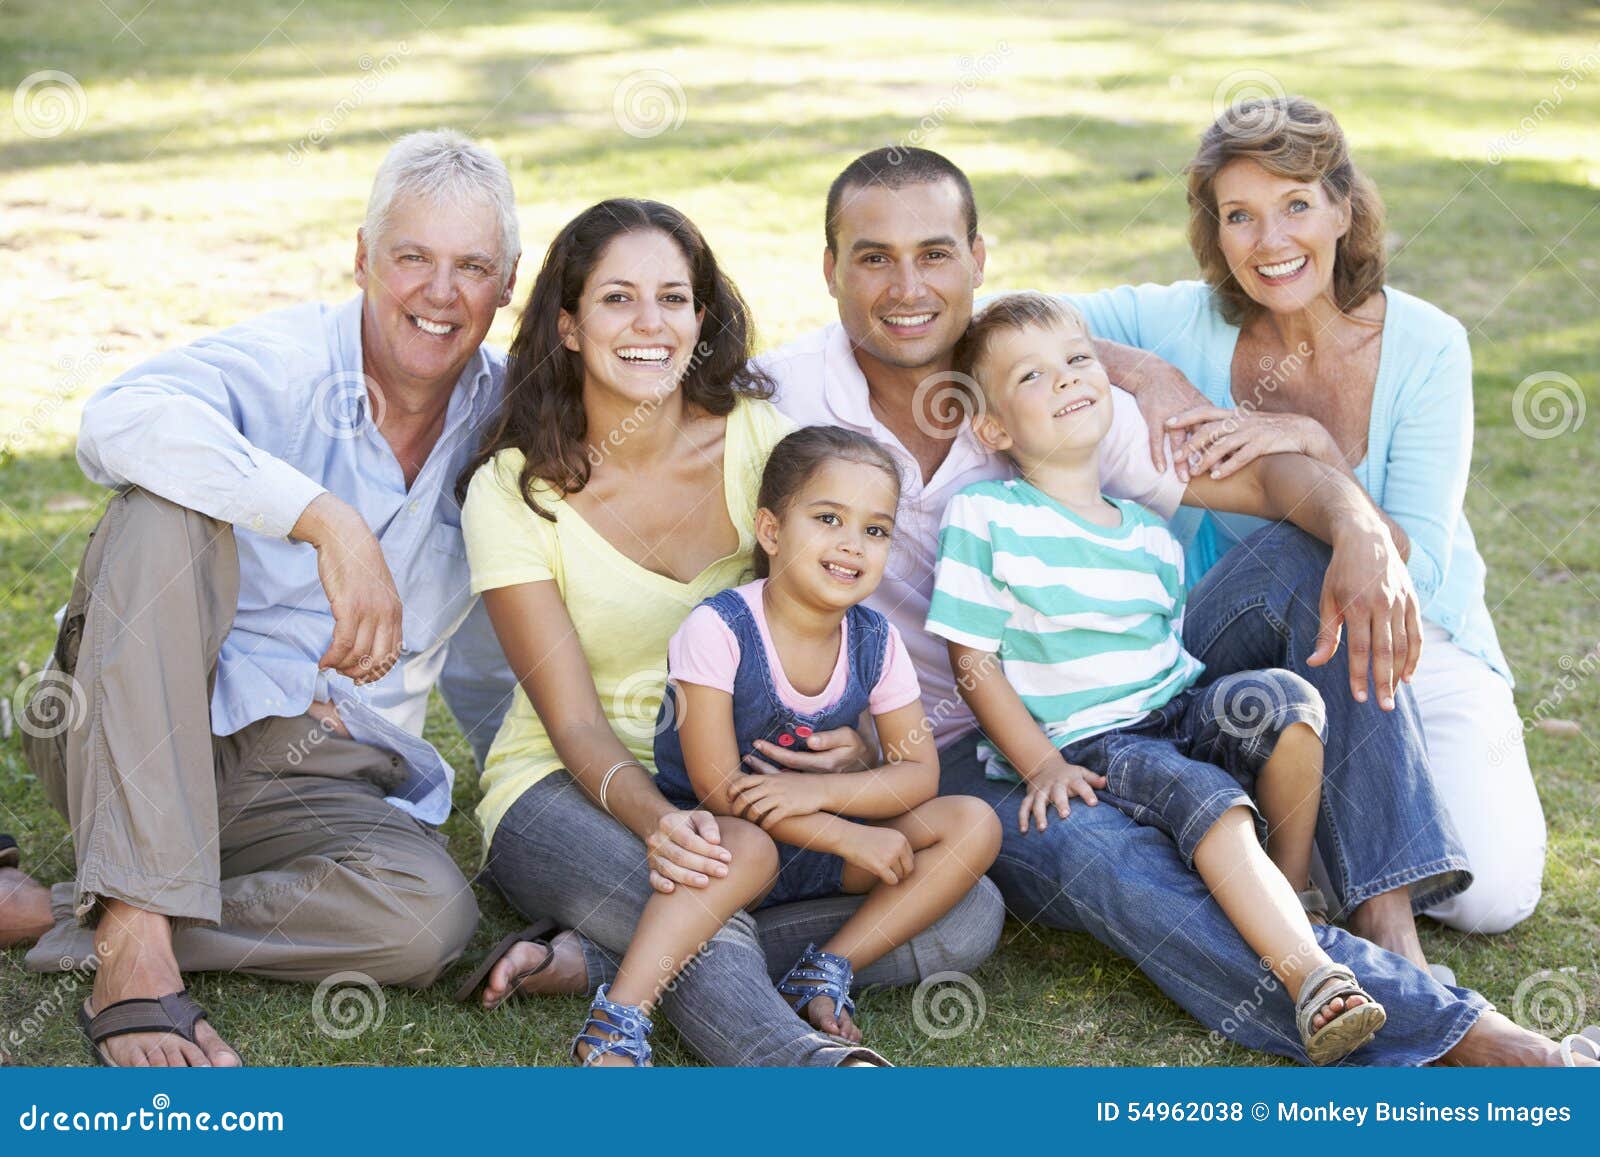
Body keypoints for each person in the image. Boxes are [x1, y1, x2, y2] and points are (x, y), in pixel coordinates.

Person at [753, 143, 1588, 1066]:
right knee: (1112, 861)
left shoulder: (1047, 388)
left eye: (935, 253)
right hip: (971, 750)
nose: (908, 284)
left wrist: (1351, 519)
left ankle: (1383, 915)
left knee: (1304, 556)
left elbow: (1267, 487)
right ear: (830, 268)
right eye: (873, 256)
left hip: (1134, 694)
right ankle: (1456, 1032)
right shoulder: (776, 400)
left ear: (979, 261)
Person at [455, 198, 1002, 1068]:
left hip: (748, 785)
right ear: (566, 324)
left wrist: (855, 752)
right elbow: (574, 725)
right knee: (709, 877)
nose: (649, 324)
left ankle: (600, 958)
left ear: (701, 318)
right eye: (616, 300)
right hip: (577, 786)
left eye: (674, 299)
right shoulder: (513, 491)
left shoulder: (759, 442)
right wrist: (659, 822)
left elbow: (823, 619)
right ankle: (794, 1062)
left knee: (969, 908)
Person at [19, 129, 521, 1066]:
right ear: (363, 257)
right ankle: (132, 937)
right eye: (412, 257)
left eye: (473, 267)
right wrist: (323, 518)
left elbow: (521, 639)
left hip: (308, 775)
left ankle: (75, 911)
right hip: (134, 728)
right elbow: (116, 418)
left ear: (510, 283)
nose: (440, 293)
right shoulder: (287, 363)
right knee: (165, 515)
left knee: (424, 920)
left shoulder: (507, 429)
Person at [1073, 95, 1544, 935]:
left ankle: (1350, 826)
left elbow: (1418, 566)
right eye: (1240, 216)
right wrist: (1145, 372)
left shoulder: (1429, 346)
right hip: (1244, 639)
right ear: (1214, 232)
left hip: (1414, 634)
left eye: (1296, 204)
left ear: (1342, 207)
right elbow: (1007, 316)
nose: (1271, 241)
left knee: (1492, 896)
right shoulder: (1179, 321)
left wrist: (1320, 450)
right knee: (1301, 556)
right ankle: (1369, 891)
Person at [929, 292, 1385, 1063]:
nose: (1070, 379)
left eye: (1079, 360)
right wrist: (1042, 762)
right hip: (1094, 739)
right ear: (995, 428)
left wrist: (1211, 719)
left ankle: (1294, 893)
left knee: (1288, 703)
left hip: (1171, 707)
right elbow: (972, 660)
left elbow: (1166, 651)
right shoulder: (987, 517)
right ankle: (1311, 974)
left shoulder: (1147, 531)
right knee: (1198, 792)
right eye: (1034, 376)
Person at [645, 426, 1000, 1056]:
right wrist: (848, 834)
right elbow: (717, 788)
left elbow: (918, 772)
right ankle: (631, 985)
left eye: (875, 529)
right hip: (723, 853)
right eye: (829, 518)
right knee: (745, 842)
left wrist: (817, 797)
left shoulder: (877, 639)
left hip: (819, 849)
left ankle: (828, 965)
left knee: (972, 822)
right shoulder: (718, 627)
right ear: (772, 530)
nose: (851, 545)